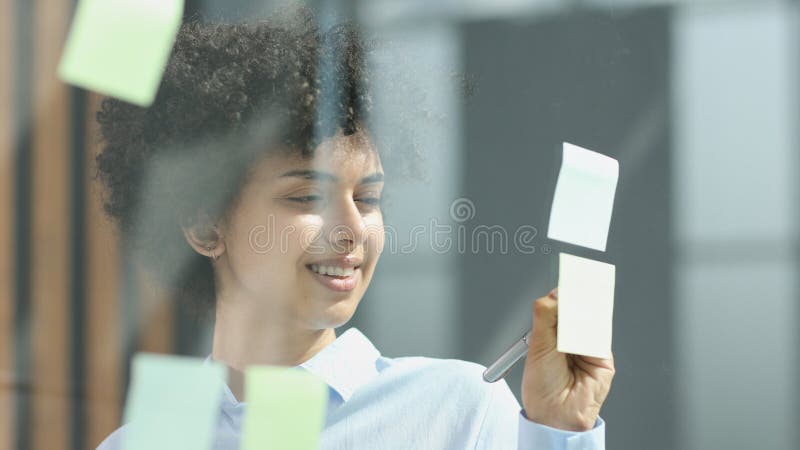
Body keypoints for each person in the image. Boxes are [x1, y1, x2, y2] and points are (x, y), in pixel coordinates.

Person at [95, 8, 614, 450]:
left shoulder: (459, 410)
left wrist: (561, 431)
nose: (351, 231)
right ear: (205, 225)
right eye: (308, 197)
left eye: (367, 199)